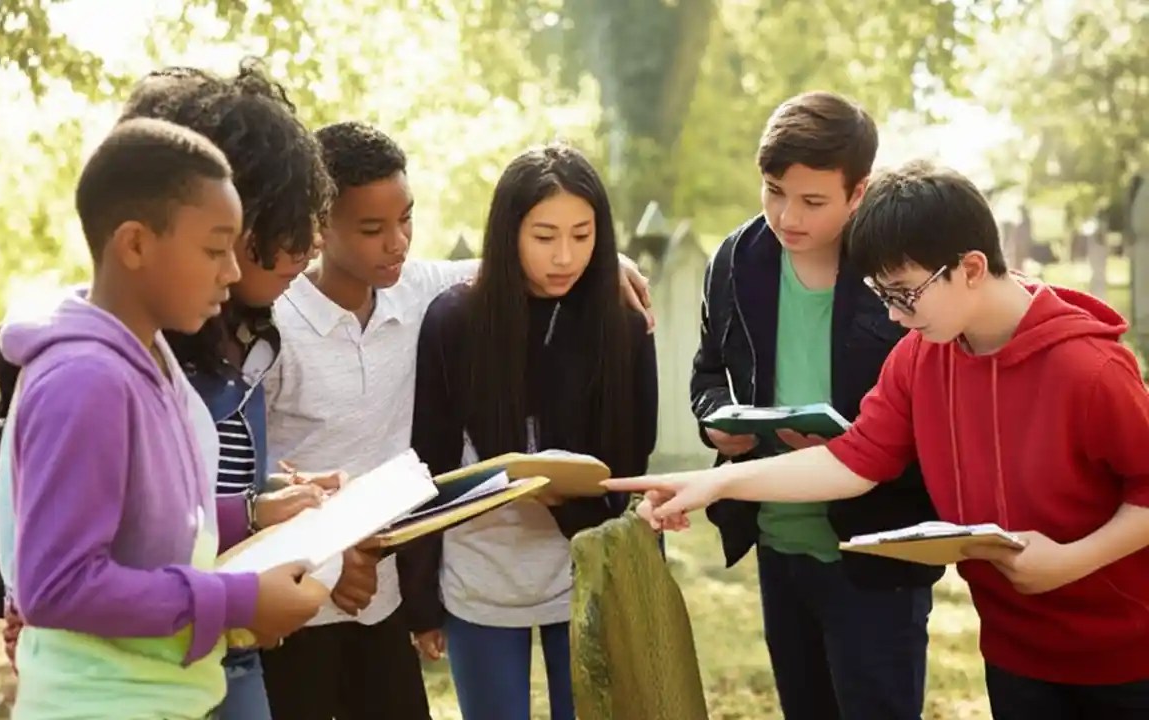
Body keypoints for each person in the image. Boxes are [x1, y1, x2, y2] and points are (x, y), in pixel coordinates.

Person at [610, 160, 1149, 720]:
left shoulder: (1089, 369)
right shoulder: (921, 356)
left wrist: (1071, 562)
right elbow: (854, 459)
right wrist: (715, 482)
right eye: (881, 294)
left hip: (1125, 656)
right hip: (1015, 651)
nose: (893, 316)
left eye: (904, 295)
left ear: (969, 267)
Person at [260, 122, 654, 719]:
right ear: (319, 227)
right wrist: (333, 556)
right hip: (300, 589)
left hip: (384, 594)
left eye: (406, 220)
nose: (397, 243)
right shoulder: (275, 325)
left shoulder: (411, 289)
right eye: (372, 229)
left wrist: (608, 257)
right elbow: (255, 476)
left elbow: (524, 256)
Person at [1, 61, 343, 720]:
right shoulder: (85, 379)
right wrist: (240, 602)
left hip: (174, 690)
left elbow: (156, 526)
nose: (235, 269)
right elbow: (57, 582)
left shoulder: (147, 358)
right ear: (136, 244)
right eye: (218, 247)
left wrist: (251, 513)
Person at [689, 92, 940, 720]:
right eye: (774, 190)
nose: (786, 215)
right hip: (778, 542)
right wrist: (718, 422)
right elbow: (709, 373)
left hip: (880, 552)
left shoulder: (899, 267)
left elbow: (940, 405)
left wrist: (857, 445)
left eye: (812, 201)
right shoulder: (735, 262)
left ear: (859, 193)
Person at [405, 143, 658, 719]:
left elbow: (635, 458)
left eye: (583, 234)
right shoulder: (455, 322)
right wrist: (421, 601)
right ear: (508, 231)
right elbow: (430, 462)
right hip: (482, 576)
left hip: (589, 572)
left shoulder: (621, 325)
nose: (565, 256)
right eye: (544, 236)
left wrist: (573, 490)